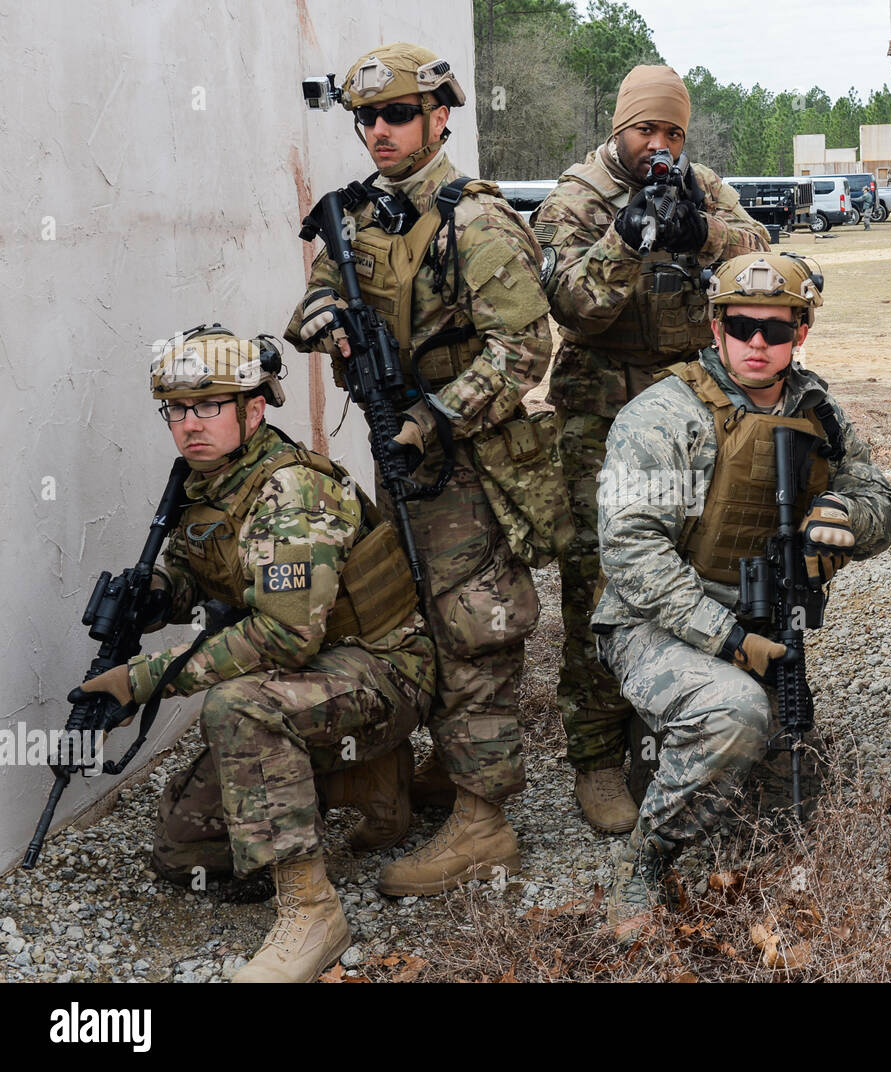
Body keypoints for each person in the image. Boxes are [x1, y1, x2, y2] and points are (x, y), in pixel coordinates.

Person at [75, 325, 435, 982]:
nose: (189, 425)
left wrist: (147, 679)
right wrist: (157, 593)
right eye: (176, 410)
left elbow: (283, 636)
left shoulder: (290, 492)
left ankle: (312, 913)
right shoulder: (208, 479)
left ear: (255, 407)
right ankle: (363, 777)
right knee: (186, 852)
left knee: (238, 707)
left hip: (382, 671)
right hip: (313, 677)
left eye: (208, 406)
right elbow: (198, 566)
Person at [284, 43, 556, 897]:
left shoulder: (474, 222)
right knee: (412, 619)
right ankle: (449, 770)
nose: (379, 132)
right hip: (394, 449)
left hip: (467, 460)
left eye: (398, 114)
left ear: (441, 116)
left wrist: (433, 418)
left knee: (476, 626)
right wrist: (327, 318)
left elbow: (526, 349)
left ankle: (485, 823)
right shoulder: (356, 216)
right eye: (366, 117)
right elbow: (312, 301)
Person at [590, 253, 891, 936]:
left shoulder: (816, 411)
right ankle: (642, 867)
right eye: (741, 325)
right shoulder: (664, 417)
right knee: (734, 715)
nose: (758, 343)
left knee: (789, 805)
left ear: (801, 332)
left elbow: (882, 496)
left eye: (776, 328)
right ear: (715, 323)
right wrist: (726, 640)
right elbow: (631, 553)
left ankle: (686, 759)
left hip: (763, 615)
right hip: (658, 621)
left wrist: (847, 520)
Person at [533, 65, 770, 834]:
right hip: (598, 403)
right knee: (599, 576)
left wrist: (704, 232)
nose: (660, 145)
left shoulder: (700, 186)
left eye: (672, 132)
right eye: (646, 130)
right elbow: (576, 307)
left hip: (689, 405)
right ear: (618, 128)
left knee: (697, 556)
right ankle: (595, 755)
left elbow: (760, 258)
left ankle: (679, 717)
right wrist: (626, 238)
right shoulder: (576, 198)